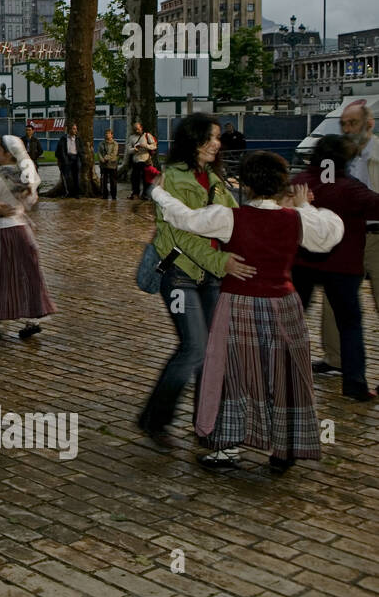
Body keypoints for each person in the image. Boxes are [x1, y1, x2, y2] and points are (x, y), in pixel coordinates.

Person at [148, 152, 343, 471]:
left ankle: (226, 449)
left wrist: (157, 191)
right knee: (285, 374)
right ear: (283, 185)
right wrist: (303, 205)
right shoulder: (297, 219)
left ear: (247, 186)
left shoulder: (230, 217)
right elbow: (330, 234)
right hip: (283, 303)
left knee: (231, 374)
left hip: (238, 302)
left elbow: (185, 218)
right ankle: (285, 449)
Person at [137, 114, 252, 442]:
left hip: (211, 275)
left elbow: (238, 220)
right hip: (179, 273)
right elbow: (179, 235)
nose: (217, 144)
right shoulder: (172, 178)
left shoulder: (215, 179)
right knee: (194, 348)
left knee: (213, 351)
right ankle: (154, 419)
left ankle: (206, 423)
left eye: (218, 138)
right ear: (193, 141)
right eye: (211, 138)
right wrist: (221, 262)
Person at [292, 134, 379, 401]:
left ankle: (283, 376)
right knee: (350, 325)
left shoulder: (299, 182)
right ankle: (354, 385)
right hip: (342, 265)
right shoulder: (350, 188)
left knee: (292, 322)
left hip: (302, 262)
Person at [0, 136, 57, 342]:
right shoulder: (26, 178)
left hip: (0, 231)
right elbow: (30, 201)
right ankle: (33, 318)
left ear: (8, 154)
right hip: (22, 229)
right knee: (28, 274)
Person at [314, 100, 379, 379]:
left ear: (369, 124)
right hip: (344, 235)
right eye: (343, 124)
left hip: (376, 235)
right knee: (333, 299)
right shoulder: (336, 157)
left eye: (352, 123)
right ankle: (335, 357)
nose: (347, 129)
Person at [126, 121, 158, 199]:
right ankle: (135, 193)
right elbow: (128, 150)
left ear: (141, 128)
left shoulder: (147, 135)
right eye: (135, 129)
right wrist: (134, 149)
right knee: (135, 178)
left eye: (138, 129)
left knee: (146, 178)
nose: (136, 131)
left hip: (145, 160)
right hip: (136, 160)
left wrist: (145, 146)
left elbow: (154, 146)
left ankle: (145, 194)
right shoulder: (131, 137)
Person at [55, 122, 82, 197]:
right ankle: (67, 193)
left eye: (76, 129)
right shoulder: (63, 138)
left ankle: (77, 193)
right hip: (66, 158)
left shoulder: (78, 138)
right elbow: (58, 150)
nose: (75, 130)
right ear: (69, 130)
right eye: (73, 129)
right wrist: (59, 160)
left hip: (75, 159)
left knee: (76, 177)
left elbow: (81, 149)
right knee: (66, 177)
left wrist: (81, 158)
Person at [98, 129, 120, 200]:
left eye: (108, 133)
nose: (107, 135)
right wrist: (102, 159)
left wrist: (106, 158)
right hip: (103, 165)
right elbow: (99, 153)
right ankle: (104, 194)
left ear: (112, 135)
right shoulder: (101, 143)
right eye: (106, 133)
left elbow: (114, 153)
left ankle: (113, 195)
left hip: (112, 164)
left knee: (113, 181)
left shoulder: (115, 144)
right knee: (104, 180)